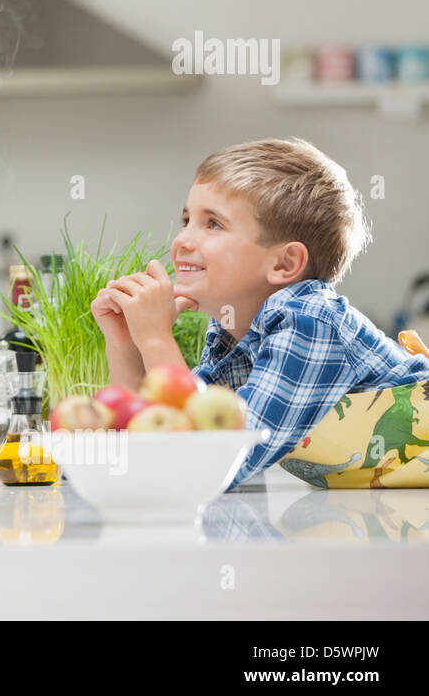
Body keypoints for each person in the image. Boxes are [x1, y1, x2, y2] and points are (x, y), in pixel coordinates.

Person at [90, 137, 429, 488]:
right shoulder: (231, 332)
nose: (182, 241)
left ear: (285, 263)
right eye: (187, 219)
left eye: (213, 224)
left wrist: (156, 337)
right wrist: (126, 344)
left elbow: (211, 464)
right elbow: (166, 438)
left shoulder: (309, 320)